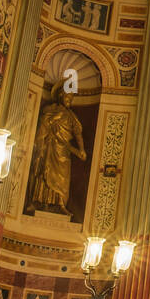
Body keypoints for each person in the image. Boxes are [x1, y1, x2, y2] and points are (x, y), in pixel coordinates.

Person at [24, 84, 87, 217]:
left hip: (63, 152)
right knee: (43, 172)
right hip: (48, 147)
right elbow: (42, 127)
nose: (69, 100)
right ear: (60, 96)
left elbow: (78, 133)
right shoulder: (49, 110)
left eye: (71, 98)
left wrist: (81, 150)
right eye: (67, 97)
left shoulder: (71, 116)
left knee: (62, 179)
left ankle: (60, 204)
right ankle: (39, 201)